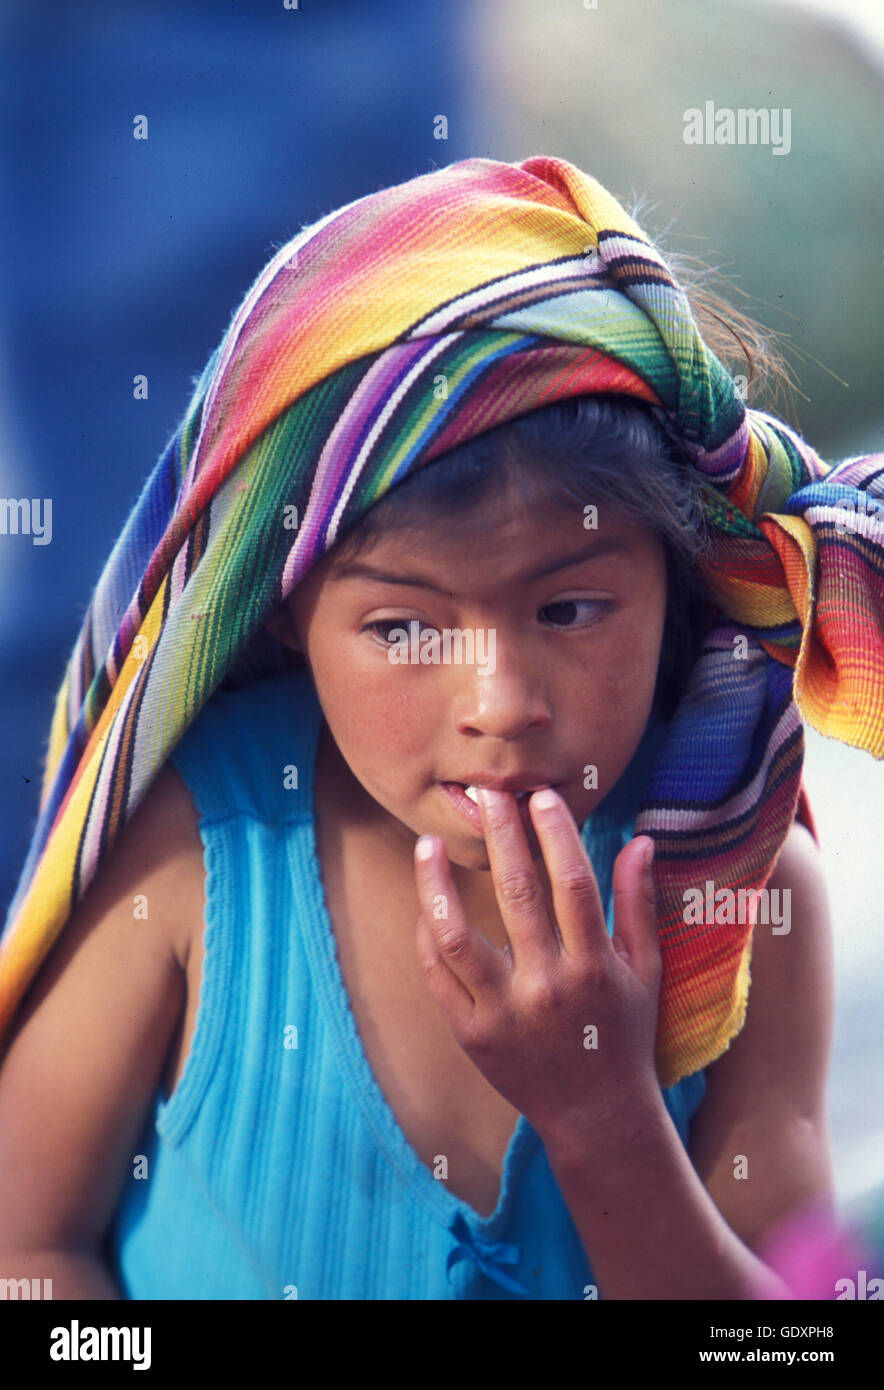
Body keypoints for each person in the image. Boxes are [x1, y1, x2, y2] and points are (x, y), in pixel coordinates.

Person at [0, 155, 880, 1300]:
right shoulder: (194, 853)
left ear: (680, 580)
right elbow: (26, 1251)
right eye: (402, 626)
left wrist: (602, 1116)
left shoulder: (743, 888)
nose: (500, 701)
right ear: (284, 611)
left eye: (568, 607)